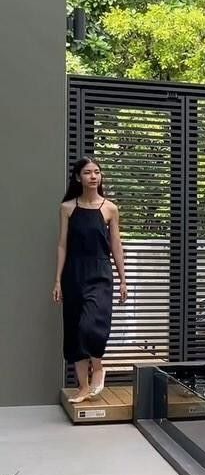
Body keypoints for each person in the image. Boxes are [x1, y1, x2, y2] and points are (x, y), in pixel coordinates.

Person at [53, 156, 127, 403]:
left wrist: (123, 279)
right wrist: (57, 281)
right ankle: (82, 388)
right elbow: (62, 245)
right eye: (87, 172)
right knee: (74, 330)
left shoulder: (110, 208)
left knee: (91, 325)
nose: (93, 176)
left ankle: (98, 366)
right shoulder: (67, 208)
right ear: (78, 177)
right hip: (74, 273)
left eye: (97, 172)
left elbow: (116, 245)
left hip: (100, 273)